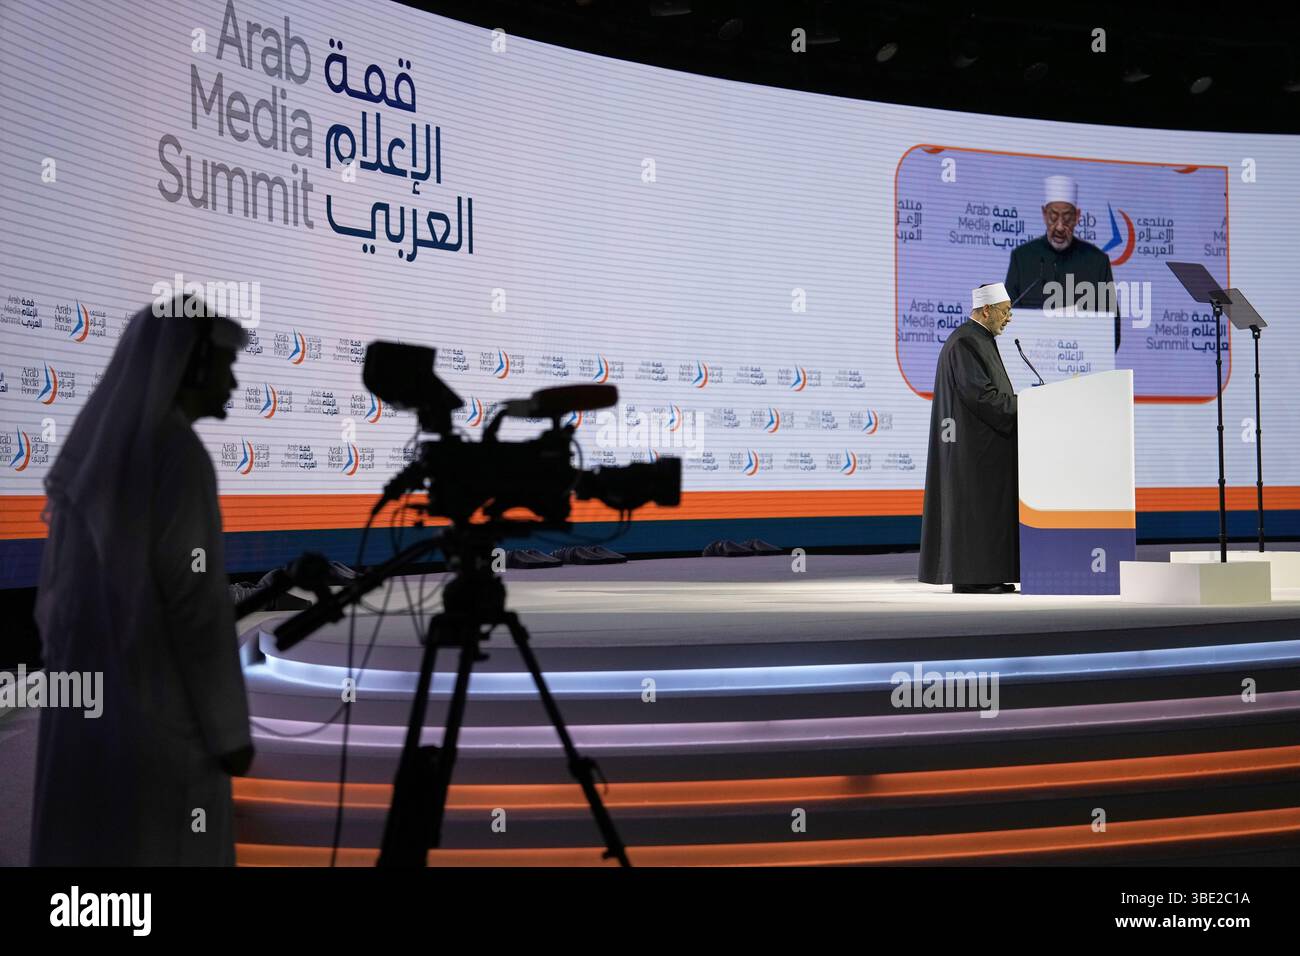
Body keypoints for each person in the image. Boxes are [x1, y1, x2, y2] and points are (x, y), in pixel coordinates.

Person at [30, 296, 254, 866]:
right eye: (225, 363)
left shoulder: (102, 454)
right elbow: (197, 608)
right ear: (193, 366)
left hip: (92, 725)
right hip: (160, 728)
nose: (233, 379)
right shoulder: (178, 454)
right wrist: (230, 733)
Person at [918, 282, 1019, 594]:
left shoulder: (979, 339)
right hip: (974, 450)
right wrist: (1025, 406)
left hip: (984, 447)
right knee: (977, 510)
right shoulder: (966, 341)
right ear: (986, 310)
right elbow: (981, 396)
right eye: (1005, 311)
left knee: (986, 510)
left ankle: (986, 574)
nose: (1009, 318)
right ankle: (974, 577)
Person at [1004, 174, 1121, 351]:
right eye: (1053, 217)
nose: (1059, 227)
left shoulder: (1097, 261)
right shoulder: (1022, 258)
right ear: (1044, 214)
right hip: (1031, 366)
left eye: (1066, 218)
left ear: (1077, 217)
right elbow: (1005, 321)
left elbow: (1113, 328)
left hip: (1081, 367)